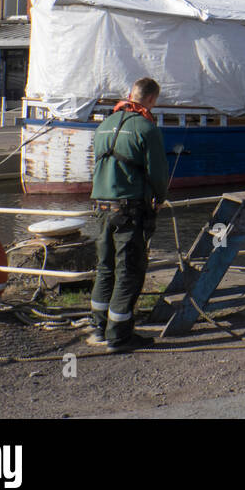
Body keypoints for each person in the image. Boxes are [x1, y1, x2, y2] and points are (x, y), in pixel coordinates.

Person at [88, 77, 169, 353]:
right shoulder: (146, 128)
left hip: (101, 207)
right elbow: (158, 173)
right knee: (129, 270)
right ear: (150, 100)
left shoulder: (103, 126)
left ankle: (99, 327)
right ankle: (120, 335)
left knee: (105, 266)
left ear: (129, 94)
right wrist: (160, 198)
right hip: (129, 209)